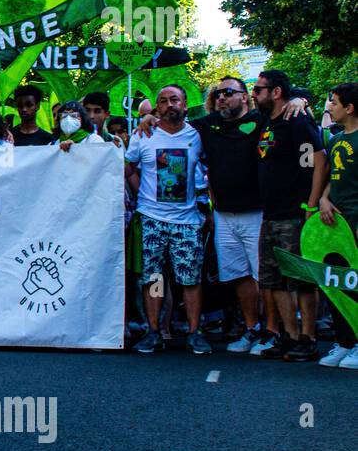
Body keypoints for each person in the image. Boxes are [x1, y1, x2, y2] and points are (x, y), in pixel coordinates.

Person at [136, 77, 310, 353]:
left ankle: (270, 331)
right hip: (188, 217)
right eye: (218, 94)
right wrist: (147, 118)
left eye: (229, 92)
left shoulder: (246, 123)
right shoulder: (189, 128)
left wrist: (299, 101)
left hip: (235, 215)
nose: (222, 98)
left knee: (249, 277)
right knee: (170, 278)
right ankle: (159, 330)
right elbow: (130, 167)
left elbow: (285, 116)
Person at [124, 85, 211, 355]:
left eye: (175, 99)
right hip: (152, 219)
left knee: (190, 279)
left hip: (187, 220)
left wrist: (206, 207)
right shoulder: (144, 134)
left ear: (185, 104)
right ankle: (153, 332)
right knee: (153, 278)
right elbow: (128, 167)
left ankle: (195, 333)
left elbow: (212, 169)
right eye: (163, 101)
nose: (169, 104)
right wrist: (141, 195)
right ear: (156, 108)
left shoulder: (198, 135)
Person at [251, 70, 327, 361]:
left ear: (277, 92)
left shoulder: (298, 120)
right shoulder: (266, 122)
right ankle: (290, 335)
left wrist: (311, 205)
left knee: (301, 278)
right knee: (274, 280)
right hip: (270, 215)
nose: (253, 94)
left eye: (258, 89)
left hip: (295, 214)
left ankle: (308, 338)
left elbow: (318, 160)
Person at [317, 81, 358, 368]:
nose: (329, 106)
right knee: (336, 282)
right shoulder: (334, 139)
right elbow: (334, 177)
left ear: (349, 107)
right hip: (336, 223)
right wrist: (323, 199)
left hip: (355, 221)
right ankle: (345, 342)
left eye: (333, 102)